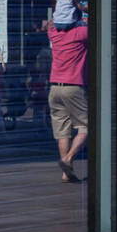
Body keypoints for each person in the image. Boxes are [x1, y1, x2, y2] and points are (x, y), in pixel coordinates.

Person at [49, 17, 88, 182]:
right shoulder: (81, 33)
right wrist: (84, 12)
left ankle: (66, 174)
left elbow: (52, 22)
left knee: (62, 132)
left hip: (54, 87)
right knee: (86, 127)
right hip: (73, 86)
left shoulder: (54, 33)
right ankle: (67, 159)